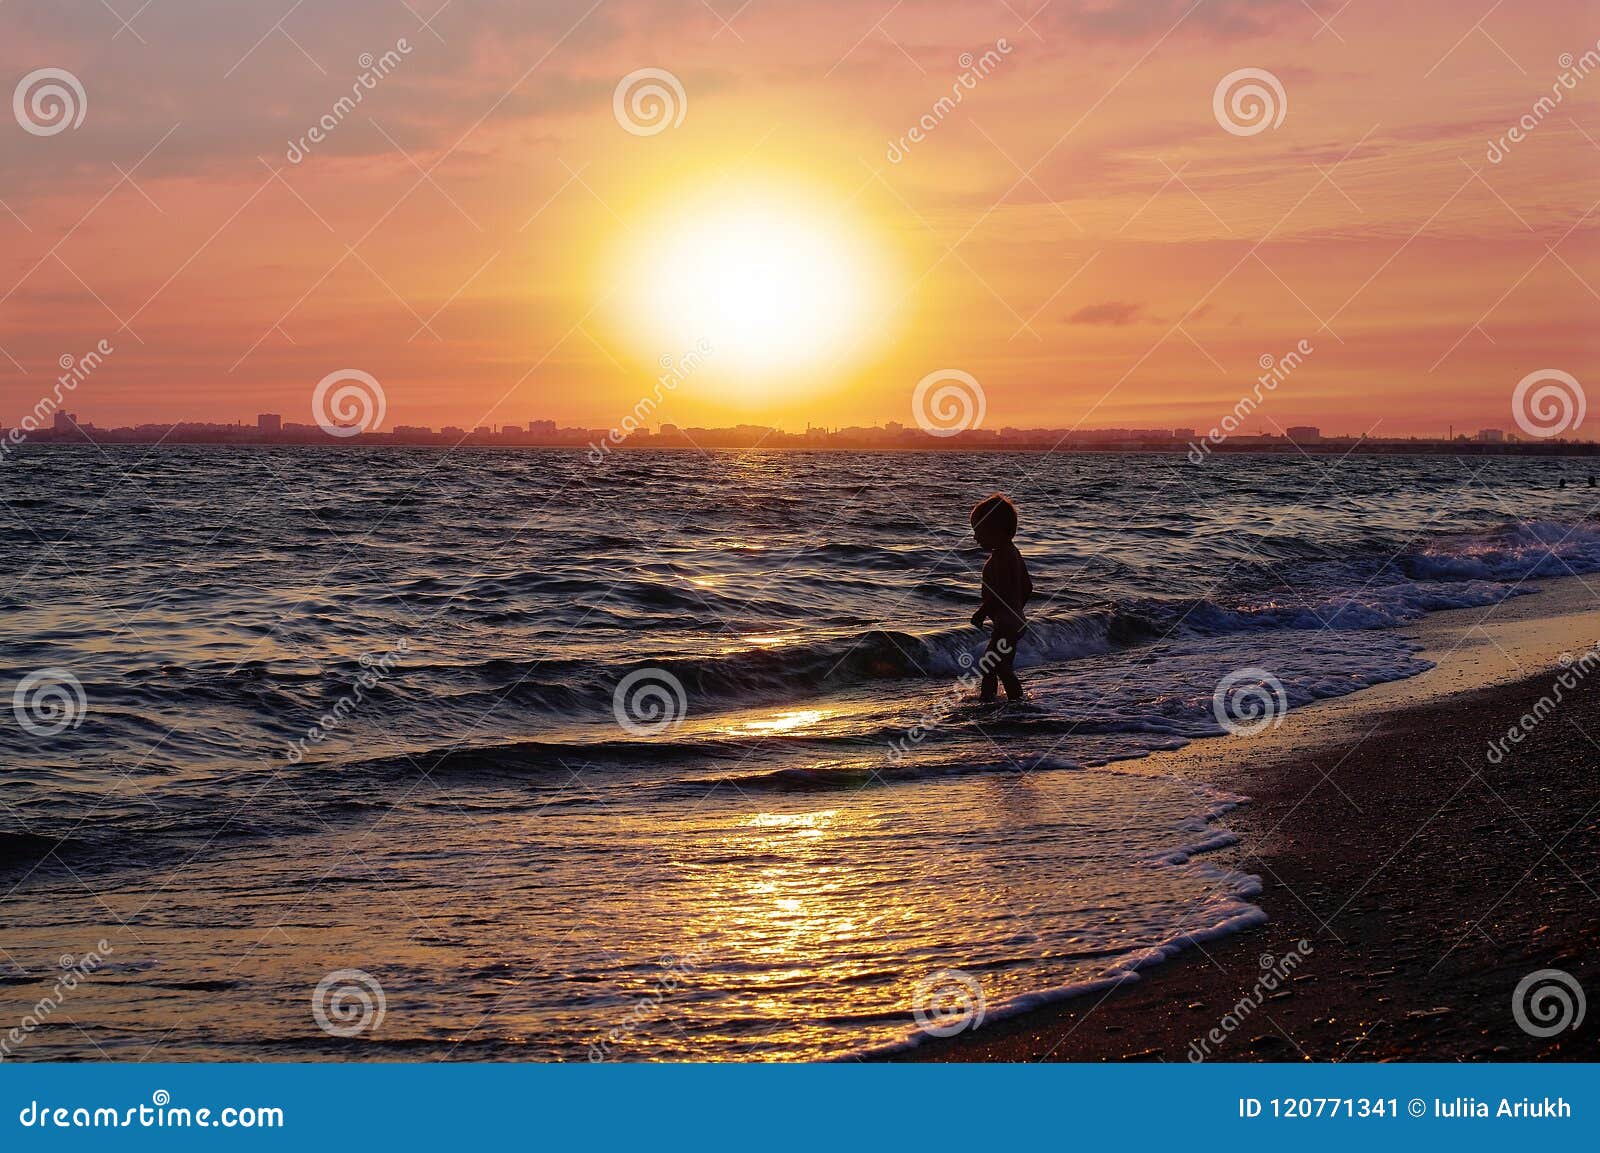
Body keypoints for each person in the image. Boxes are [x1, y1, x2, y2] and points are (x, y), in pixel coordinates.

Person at [969, 492, 1032, 702]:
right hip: (1015, 621)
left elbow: (1001, 592)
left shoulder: (1002, 557)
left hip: (1006, 624)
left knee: (991, 665)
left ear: (996, 530)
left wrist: (982, 612)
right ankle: (1004, 699)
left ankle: (997, 700)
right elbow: (1028, 587)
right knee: (1001, 665)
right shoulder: (1013, 553)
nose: (975, 538)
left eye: (978, 531)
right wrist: (1017, 608)